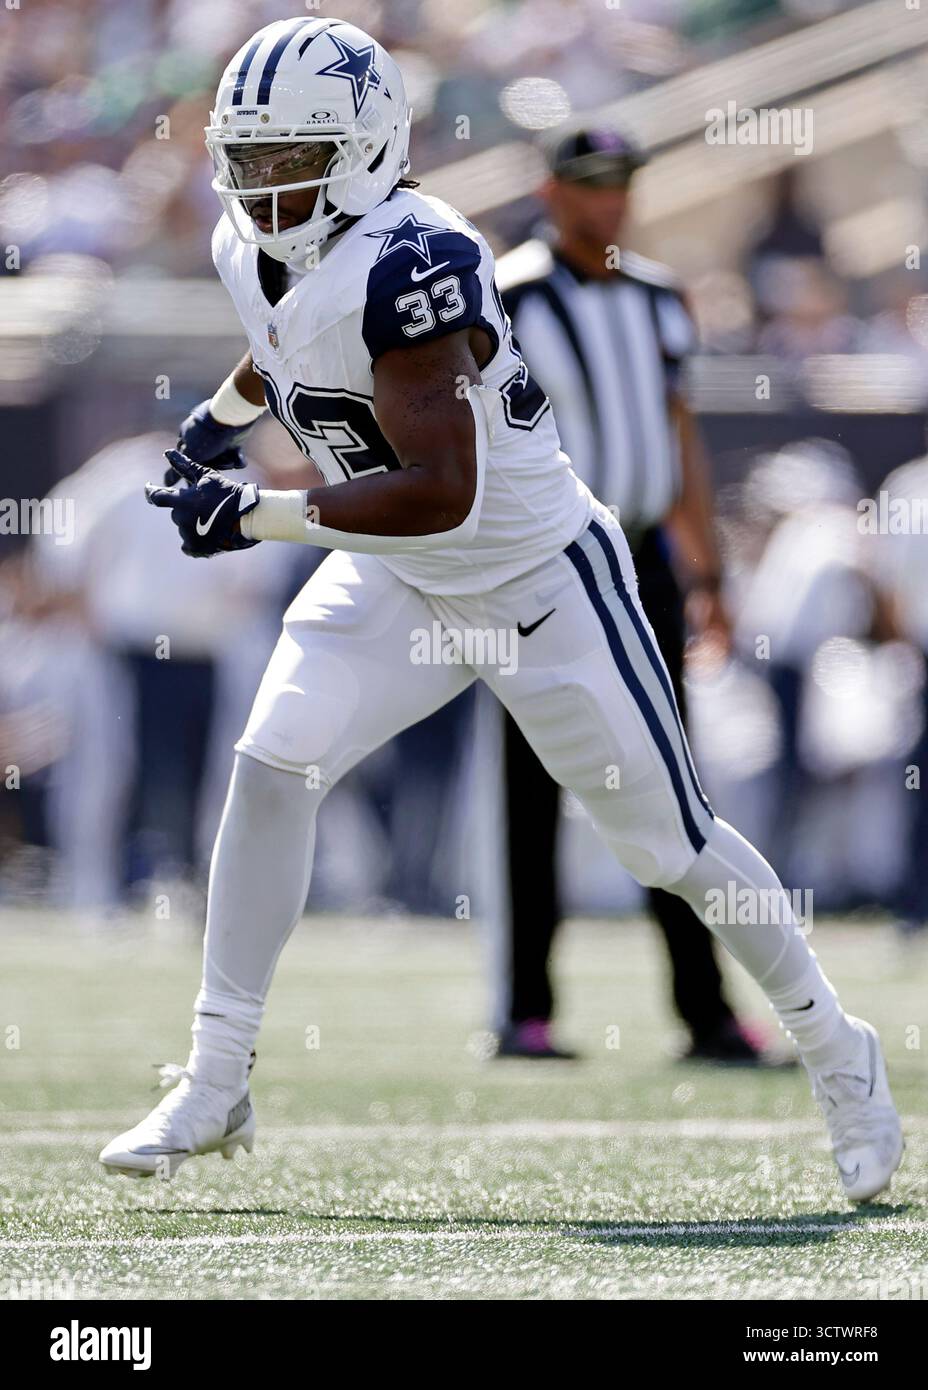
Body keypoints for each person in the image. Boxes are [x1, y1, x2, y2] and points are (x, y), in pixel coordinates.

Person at [99, 16, 902, 1203]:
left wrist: (256, 508)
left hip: (530, 578)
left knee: (671, 845)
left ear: (369, 147)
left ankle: (837, 1048)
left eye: (291, 158)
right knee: (273, 763)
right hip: (396, 572)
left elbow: (440, 489)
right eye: (249, 157)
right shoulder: (256, 240)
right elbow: (284, 338)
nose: (264, 185)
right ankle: (218, 1074)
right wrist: (219, 422)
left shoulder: (417, 258)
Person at [491, 124, 767, 1063]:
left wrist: (709, 570)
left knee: (670, 779)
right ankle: (526, 1009)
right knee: (530, 785)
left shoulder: (655, 295)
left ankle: (705, 1011)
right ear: (554, 190)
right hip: (543, 561)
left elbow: (678, 435)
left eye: (622, 183)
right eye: (592, 184)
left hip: (643, 557)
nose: (609, 201)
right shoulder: (511, 293)